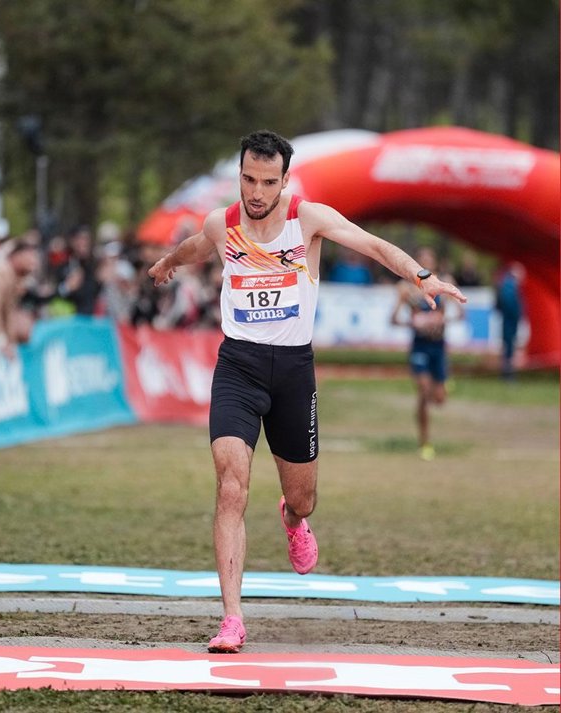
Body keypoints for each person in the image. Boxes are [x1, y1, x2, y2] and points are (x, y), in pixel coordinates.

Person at [147, 130, 466, 654]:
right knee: (230, 486)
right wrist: (166, 264)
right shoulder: (221, 222)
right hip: (238, 368)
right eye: (248, 178)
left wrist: (421, 275)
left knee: (304, 497)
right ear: (240, 174)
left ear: (284, 181)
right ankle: (231, 619)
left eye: (267, 182)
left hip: (294, 372)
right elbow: (195, 246)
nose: (255, 191)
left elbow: (373, 245)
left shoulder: (308, 218)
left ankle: (292, 519)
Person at [390, 247, 462, 460]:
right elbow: (393, 319)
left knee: (439, 400)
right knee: (423, 390)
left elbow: (461, 314)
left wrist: (440, 321)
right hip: (419, 346)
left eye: (428, 262)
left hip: (438, 346)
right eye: (421, 262)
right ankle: (425, 442)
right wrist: (413, 323)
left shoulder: (444, 283)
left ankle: (440, 386)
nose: (425, 266)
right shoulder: (406, 289)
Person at [0, 238, 41, 359]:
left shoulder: (12, 278)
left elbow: (8, 313)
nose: (33, 262)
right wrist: (1, 339)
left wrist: (11, 342)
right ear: (16, 256)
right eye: (30, 256)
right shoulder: (0, 274)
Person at [494, 262, 524, 380]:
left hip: (509, 321)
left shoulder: (508, 284)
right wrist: (516, 316)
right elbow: (510, 305)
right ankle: (508, 374)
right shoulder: (509, 285)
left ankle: (508, 372)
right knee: (509, 347)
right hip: (509, 321)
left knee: (509, 346)